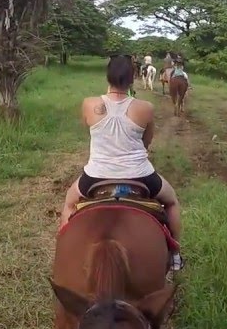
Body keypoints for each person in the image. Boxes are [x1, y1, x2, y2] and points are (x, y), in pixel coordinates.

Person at [60, 54, 184, 271]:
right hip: (140, 175)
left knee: (70, 204)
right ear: (133, 78)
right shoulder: (145, 107)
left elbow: (90, 131)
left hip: (96, 175)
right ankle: (175, 253)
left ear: (107, 76)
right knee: (172, 202)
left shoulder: (89, 104)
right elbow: (146, 143)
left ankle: (63, 251)